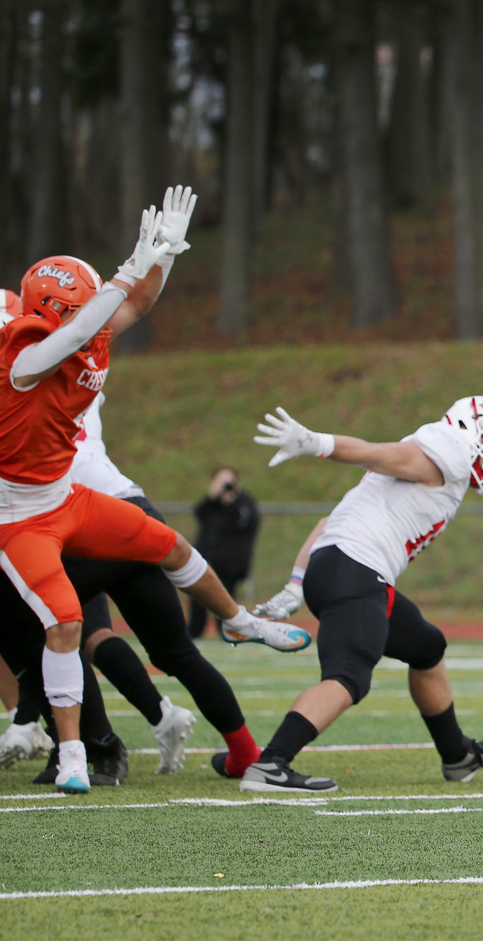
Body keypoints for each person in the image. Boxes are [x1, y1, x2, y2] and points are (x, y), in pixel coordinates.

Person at [0, 188, 297, 792]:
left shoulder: (81, 331)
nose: (94, 311)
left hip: (67, 498)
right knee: (65, 625)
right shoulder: (23, 356)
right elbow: (80, 328)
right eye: (81, 304)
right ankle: (73, 752)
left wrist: (161, 257)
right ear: (53, 310)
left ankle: (239, 620)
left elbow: (130, 305)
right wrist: (127, 268)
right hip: (19, 518)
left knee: (169, 543)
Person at [236, 396, 483, 793]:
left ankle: (457, 755)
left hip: (338, 566)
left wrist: (296, 584)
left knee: (427, 647)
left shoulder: (448, 469)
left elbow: (328, 522)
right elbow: (378, 454)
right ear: (469, 425)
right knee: (348, 678)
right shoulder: (450, 450)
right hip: (357, 570)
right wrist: (317, 442)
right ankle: (271, 764)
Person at [187, 467, 260, 638]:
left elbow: (246, 522)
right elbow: (199, 513)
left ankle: (226, 633)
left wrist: (231, 502)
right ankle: (195, 633)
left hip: (229, 563)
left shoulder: (243, 502)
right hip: (205, 558)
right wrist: (212, 496)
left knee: (225, 599)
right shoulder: (211, 503)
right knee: (197, 596)